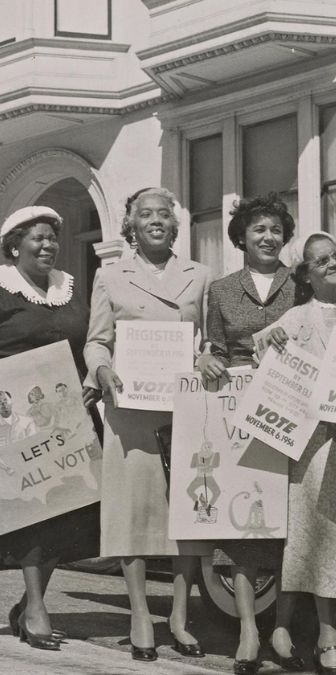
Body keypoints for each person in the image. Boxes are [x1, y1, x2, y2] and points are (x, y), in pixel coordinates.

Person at [85, 187, 212, 662]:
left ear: (175, 225)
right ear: (131, 226)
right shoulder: (110, 276)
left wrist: (204, 359)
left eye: (164, 214)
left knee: (184, 511)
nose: (156, 221)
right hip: (130, 407)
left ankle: (178, 614)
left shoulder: (199, 275)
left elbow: (207, 340)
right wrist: (101, 370)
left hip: (183, 407)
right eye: (146, 215)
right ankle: (140, 612)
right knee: (133, 511)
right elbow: (97, 341)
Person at [196, 193, 298, 675]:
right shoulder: (219, 290)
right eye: (258, 229)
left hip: (293, 412)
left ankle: (283, 624)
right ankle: (248, 630)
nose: (268, 237)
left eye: (275, 229)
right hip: (239, 416)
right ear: (241, 236)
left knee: (289, 519)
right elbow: (213, 346)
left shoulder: (300, 284)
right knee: (246, 526)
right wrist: (206, 358)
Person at [265, 232, 336, 675]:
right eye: (321, 260)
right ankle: (327, 633)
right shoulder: (293, 321)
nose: (332, 263)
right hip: (313, 444)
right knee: (313, 535)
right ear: (306, 273)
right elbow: (280, 385)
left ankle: (288, 626)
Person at [0, 206, 100, 651]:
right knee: (32, 510)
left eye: (52, 239)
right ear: (15, 245)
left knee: (70, 508)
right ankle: (38, 609)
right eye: (37, 239)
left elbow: (91, 344)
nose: (47, 246)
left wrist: (93, 380)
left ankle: (27, 603)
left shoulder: (70, 289)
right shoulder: (3, 290)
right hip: (17, 421)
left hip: (70, 418)